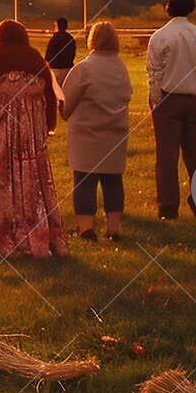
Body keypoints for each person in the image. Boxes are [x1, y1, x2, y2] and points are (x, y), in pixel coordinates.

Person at [0, 20, 68, 258]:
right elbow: (50, 99)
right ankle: (33, 234)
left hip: (0, 132)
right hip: (30, 135)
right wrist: (46, 128)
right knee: (31, 185)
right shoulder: (36, 60)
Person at [146, 0, 196, 219]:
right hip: (194, 100)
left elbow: (155, 71)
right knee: (195, 154)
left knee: (166, 158)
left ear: (169, 7)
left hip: (169, 98)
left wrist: (156, 99)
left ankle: (168, 207)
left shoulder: (160, 36)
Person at [61, 21, 132, 242]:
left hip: (87, 134)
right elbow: (127, 95)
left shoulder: (83, 69)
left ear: (92, 40)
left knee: (84, 181)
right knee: (113, 181)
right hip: (115, 132)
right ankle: (113, 229)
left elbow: (66, 104)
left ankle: (86, 228)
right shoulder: (121, 67)